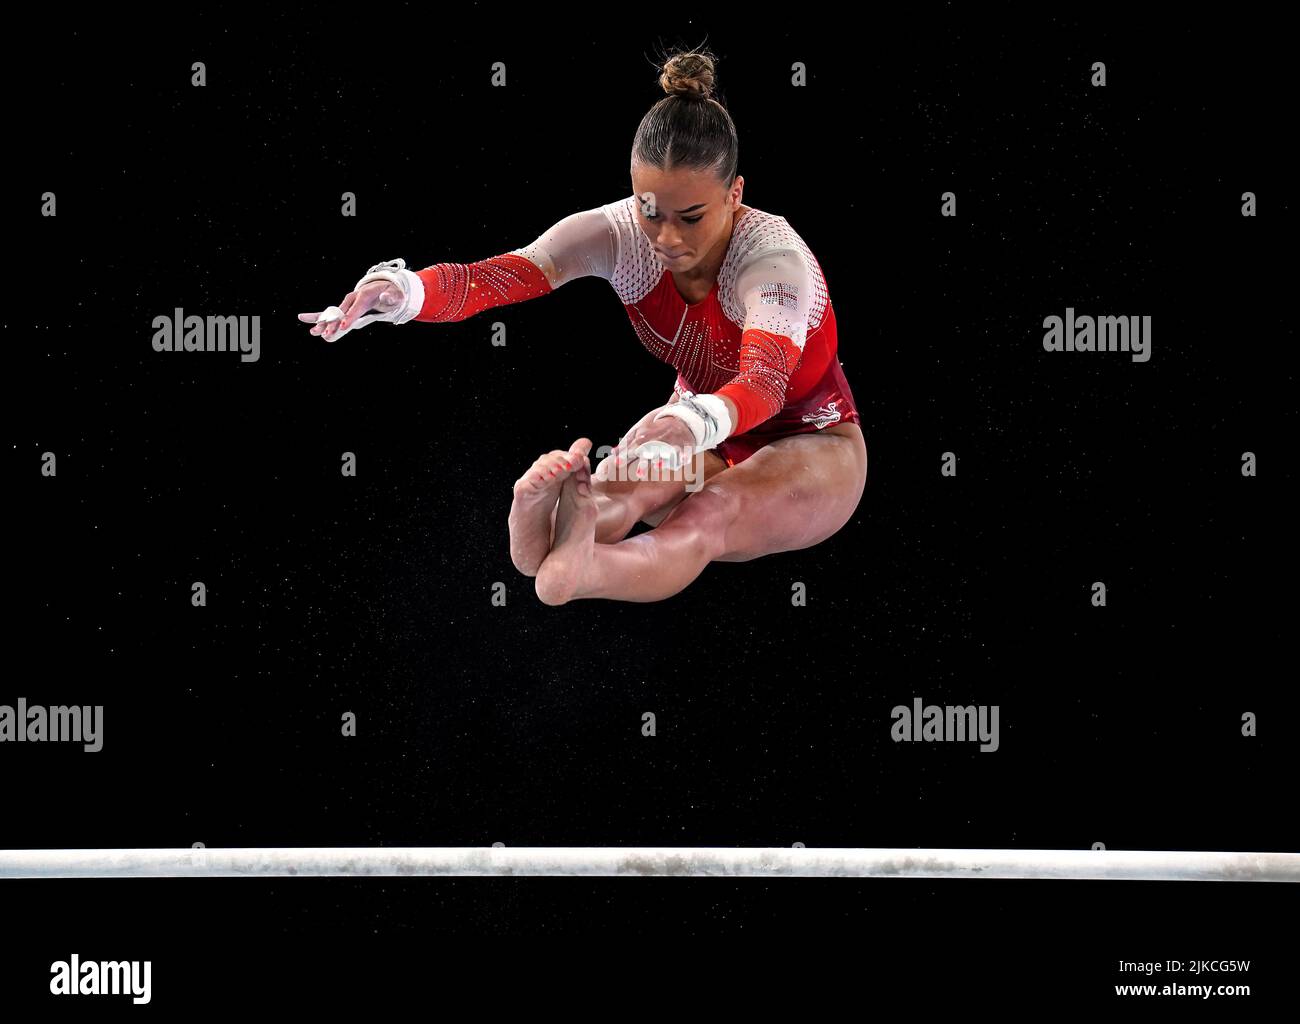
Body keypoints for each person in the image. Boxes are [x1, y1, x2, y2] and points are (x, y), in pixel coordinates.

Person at [299, 48, 867, 605]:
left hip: (813, 441)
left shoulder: (774, 262)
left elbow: (765, 384)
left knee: (707, 513)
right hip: (697, 423)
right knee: (617, 494)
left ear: (735, 193)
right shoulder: (617, 235)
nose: (666, 238)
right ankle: (549, 532)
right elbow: (499, 278)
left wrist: (693, 419)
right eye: (650, 210)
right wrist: (405, 291)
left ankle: (582, 573)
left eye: (691, 217)